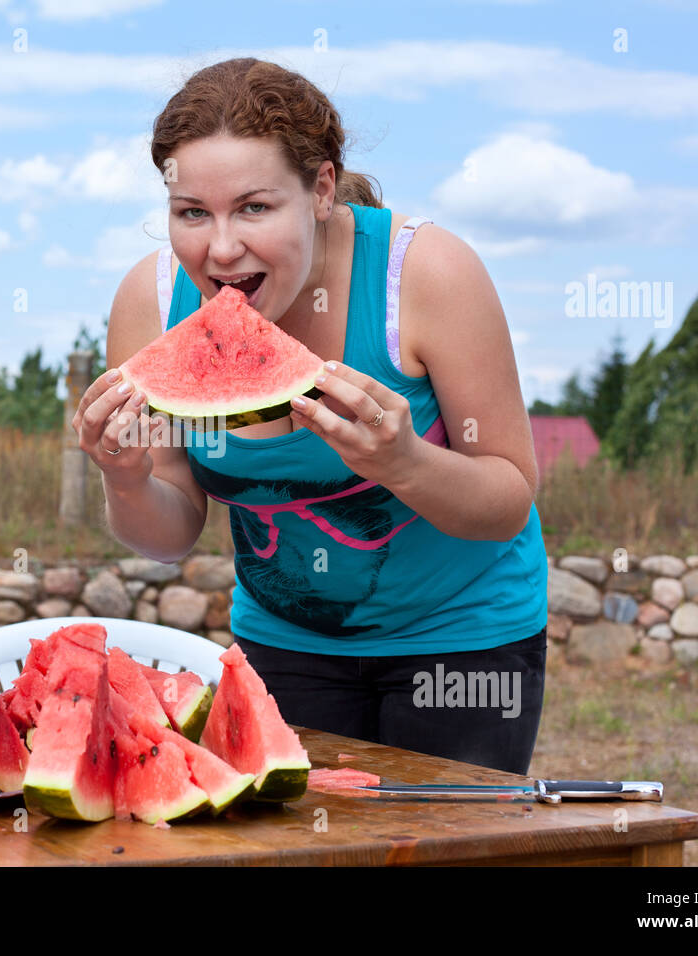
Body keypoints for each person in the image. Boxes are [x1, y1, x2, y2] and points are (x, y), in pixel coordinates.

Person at [71, 57, 548, 776]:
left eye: (254, 208)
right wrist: (126, 479)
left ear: (321, 189)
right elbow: (170, 538)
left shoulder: (426, 276)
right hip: (283, 641)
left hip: (463, 637)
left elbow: (508, 498)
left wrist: (405, 463)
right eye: (191, 212)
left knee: (443, 852)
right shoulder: (150, 301)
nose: (221, 248)